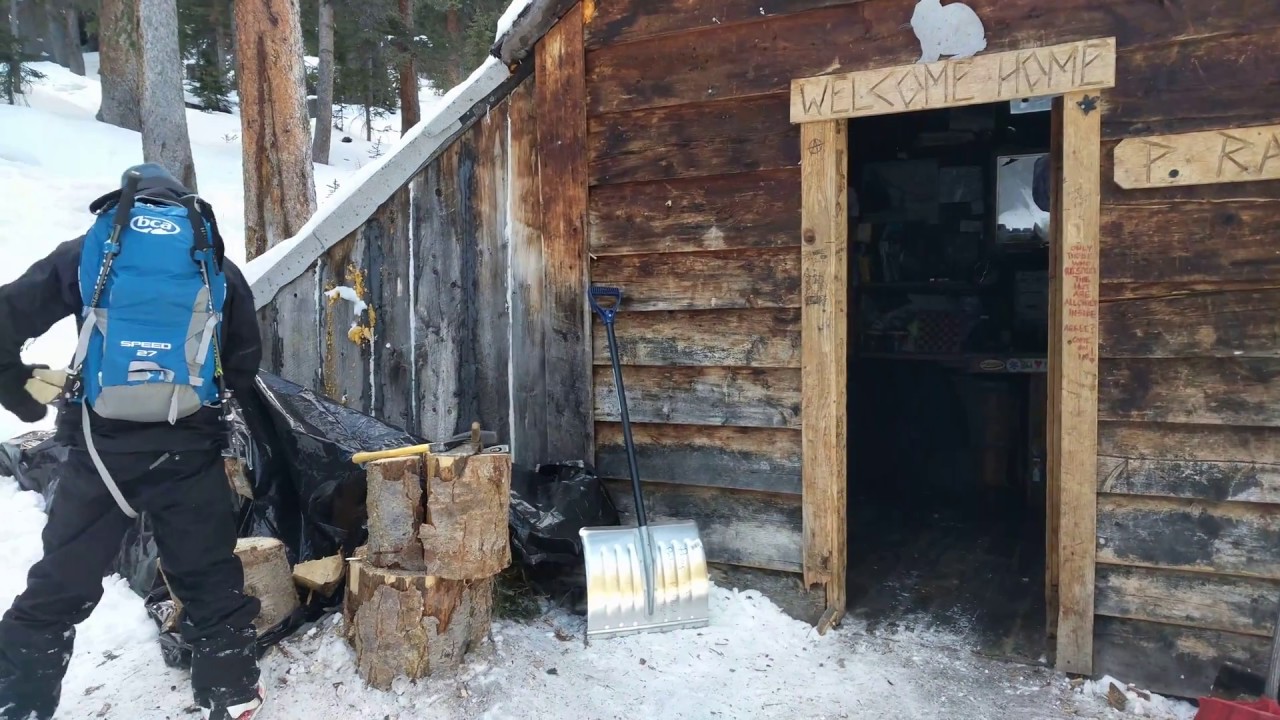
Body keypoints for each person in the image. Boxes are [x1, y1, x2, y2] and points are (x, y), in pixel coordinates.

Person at [0, 164, 266, 720]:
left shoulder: (92, 251)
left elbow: (5, 315)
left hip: (99, 450)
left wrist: (19, 390)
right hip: (188, 447)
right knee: (207, 573)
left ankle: (17, 698)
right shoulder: (208, 257)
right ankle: (231, 691)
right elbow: (244, 360)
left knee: (61, 577)